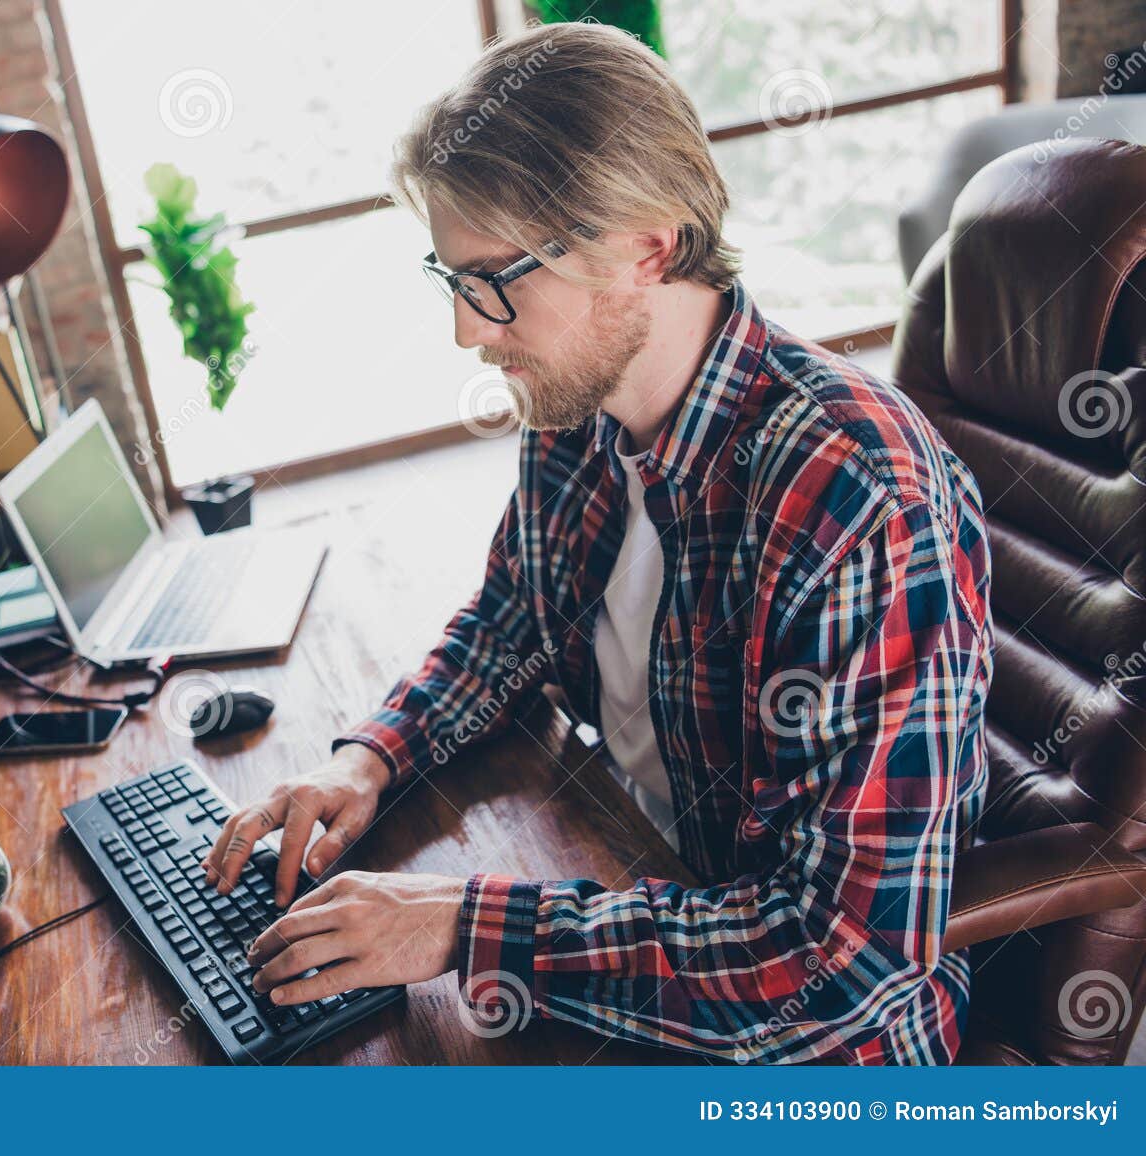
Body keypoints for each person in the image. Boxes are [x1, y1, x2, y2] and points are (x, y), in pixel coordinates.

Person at [204, 23, 992, 1065]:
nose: (465, 331)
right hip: (626, 888)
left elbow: (837, 961)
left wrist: (457, 924)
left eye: (493, 281)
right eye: (450, 278)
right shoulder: (574, 408)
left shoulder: (855, 495)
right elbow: (513, 621)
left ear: (647, 247)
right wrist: (370, 755)